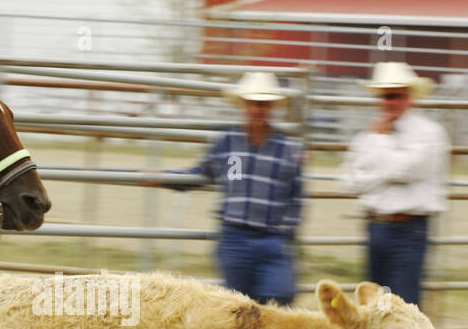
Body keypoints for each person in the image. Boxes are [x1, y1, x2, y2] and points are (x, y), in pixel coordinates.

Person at [154, 71, 304, 305]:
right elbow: (202, 172)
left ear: (272, 107)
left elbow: (296, 197)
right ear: (244, 106)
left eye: (263, 104)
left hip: (272, 237)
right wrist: (164, 178)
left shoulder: (288, 148)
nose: (258, 110)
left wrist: (284, 232)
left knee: (280, 296)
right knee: (239, 306)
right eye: (253, 103)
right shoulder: (226, 142)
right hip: (235, 236)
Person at [339, 61, 449, 310]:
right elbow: (349, 180)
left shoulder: (428, 133)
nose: (390, 102)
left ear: (409, 97)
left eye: (397, 95)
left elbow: (407, 170)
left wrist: (377, 148)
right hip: (376, 227)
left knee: (404, 309)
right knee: (374, 308)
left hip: (408, 230)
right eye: (386, 96)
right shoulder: (369, 135)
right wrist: (390, 163)